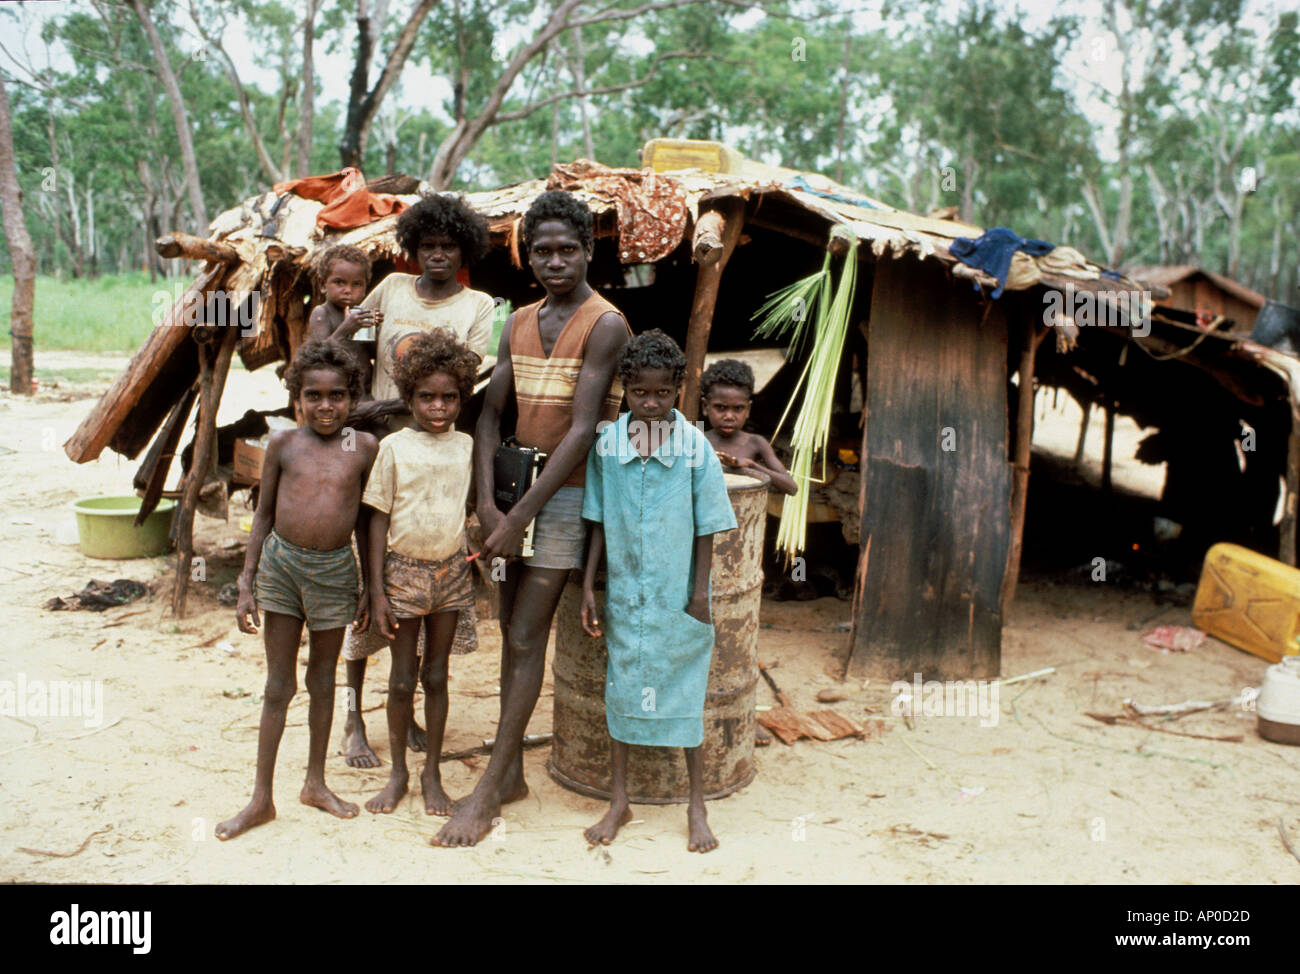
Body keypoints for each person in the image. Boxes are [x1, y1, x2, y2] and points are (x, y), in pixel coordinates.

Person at [434, 190, 631, 847]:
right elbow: (490, 415)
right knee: (507, 629)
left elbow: (580, 433)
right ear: (527, 257)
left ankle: (489, 790)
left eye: (567, 250)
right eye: (542, 251)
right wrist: (489, 503)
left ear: (589, 251)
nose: (554, 261)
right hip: (511, 489)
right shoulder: (518, 321)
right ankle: (510, 771)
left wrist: (518, 515)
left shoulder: (605, 324)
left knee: (525, 636)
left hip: (566, 494)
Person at [337, 194, 494, 769]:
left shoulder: (477, 305)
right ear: (412, 247)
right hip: (375, 448)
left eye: (449, 246)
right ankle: (353, 717)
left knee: (421, 580)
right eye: (427, 245)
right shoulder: (391, 290)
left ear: (464, 250)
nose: (437, 256)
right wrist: (363, 409)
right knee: (365, 581)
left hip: (433, 457)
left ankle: (405, 711)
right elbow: (350, 347)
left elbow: (468, 376)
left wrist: (390, 408)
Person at [580, 330, 737, 852]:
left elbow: (709, 524)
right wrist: (588, 585)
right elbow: (598, 519)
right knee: (622, 688)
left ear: (679, 390)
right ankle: (619, 800)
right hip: (625, 592)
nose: (651, 404)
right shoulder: (608, 443)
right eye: (640, 393)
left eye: (662, 393)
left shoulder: (695, 448)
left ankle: (697, 804)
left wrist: (698, 596)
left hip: (677, 594)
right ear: (625, 387)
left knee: (686, 690)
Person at [216, 342, 379, 841]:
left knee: (323, 682)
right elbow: (262, 516)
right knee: (277, 687)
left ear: (352, 398)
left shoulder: (365, 448)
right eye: (314, 396)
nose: (325, 406)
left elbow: (369, 523)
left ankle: (315, 783)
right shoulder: (283, 446)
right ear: (296, 399)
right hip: (282, 569)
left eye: (336, 396)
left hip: (334, 573)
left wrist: (371, 586)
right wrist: (247, 581)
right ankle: (261, 798)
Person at [361, 329, 479, 816]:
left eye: (449, 398)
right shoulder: (393, 447)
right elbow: (378, 516)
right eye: (426, 397)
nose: (438, 407)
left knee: (437, 675)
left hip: (451, 574)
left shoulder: (468, 446)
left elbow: (466, 507)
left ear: (461, 399)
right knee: (402, 678)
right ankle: (398, 775)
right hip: (402, 574)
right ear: (408, 398)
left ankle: (432, 773)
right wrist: (377, 590)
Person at [700, 359, 798, 495]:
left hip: (747, 514)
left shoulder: (755, 443)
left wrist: (751, 466)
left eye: (738, 408)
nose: (729, 416)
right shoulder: (697, 442)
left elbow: (791, 487)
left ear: (748, 409)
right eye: (720, 408)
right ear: (705, 407)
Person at [305, 244, 379, 397]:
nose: (348, 290)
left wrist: (375, 327)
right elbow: (320, 356)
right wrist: (347, 328)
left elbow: (372, 352)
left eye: (356, 284)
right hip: (338, 394)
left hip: (365, 390)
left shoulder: (358, 315)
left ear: (366, 288)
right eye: (339, 282)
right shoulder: (322, 313)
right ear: (323, 285)